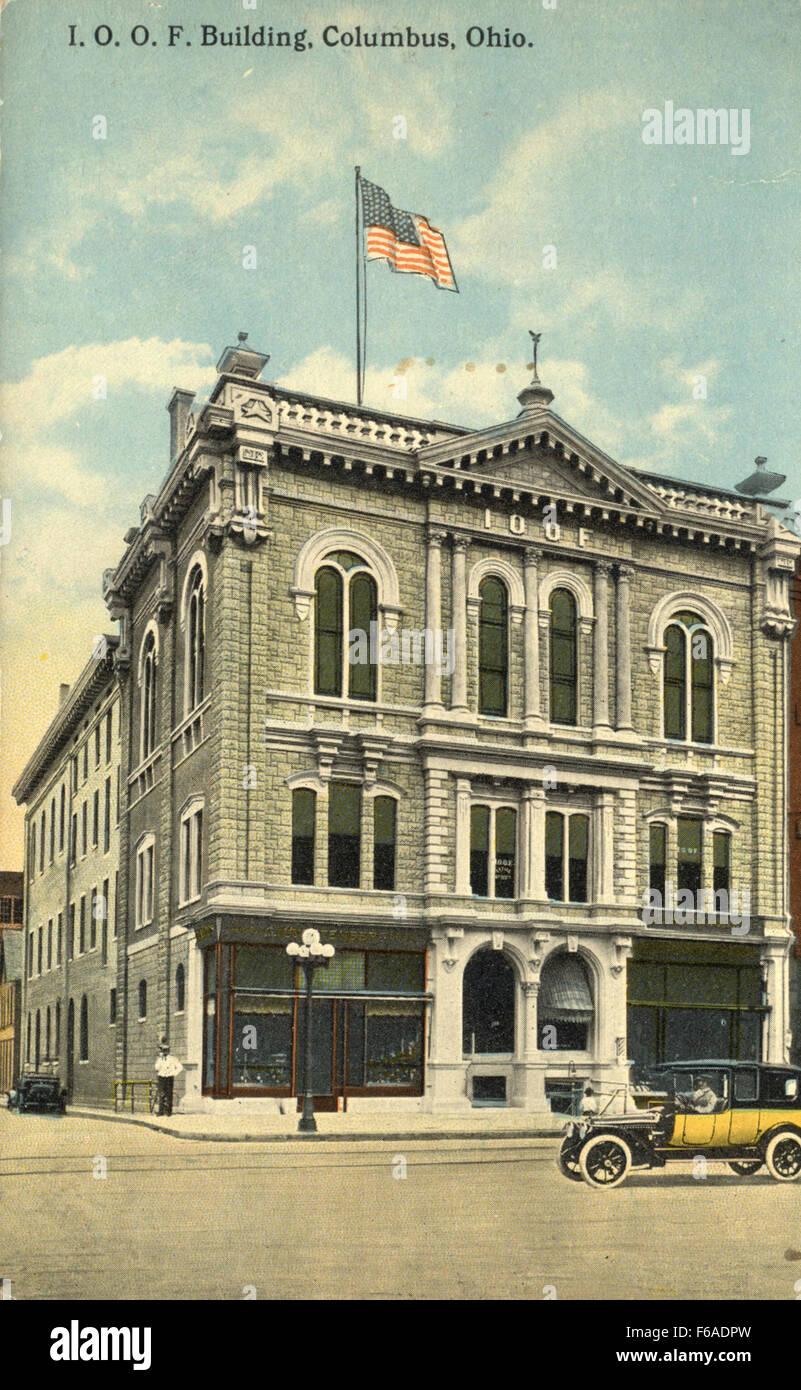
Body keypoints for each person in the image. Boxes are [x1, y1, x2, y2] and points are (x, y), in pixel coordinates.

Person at [154, 1036, 183, 1116]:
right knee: (161, 1094)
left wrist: (174, 1073)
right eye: (163, 1050)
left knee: (169, 1094)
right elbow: (156, 1068)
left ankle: (168, 1111)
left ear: (168, 1051)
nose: (164, 1052)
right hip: (161, 1077)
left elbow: (180, 1067)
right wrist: (160, 1060)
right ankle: (161, 1111)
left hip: (169, 1077)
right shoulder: (160, 1059)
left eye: (166, 1050)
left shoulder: (173, 1059)